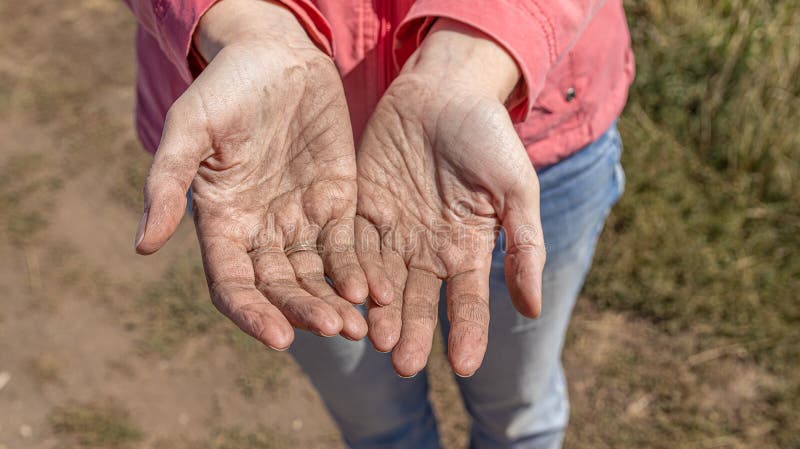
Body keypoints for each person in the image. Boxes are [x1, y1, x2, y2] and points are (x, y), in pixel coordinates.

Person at [122, 0, 634, 447]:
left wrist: (474, 57)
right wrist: (243, 23)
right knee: (379, 430)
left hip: (524, 131)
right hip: (274, 163)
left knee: (520, 414)